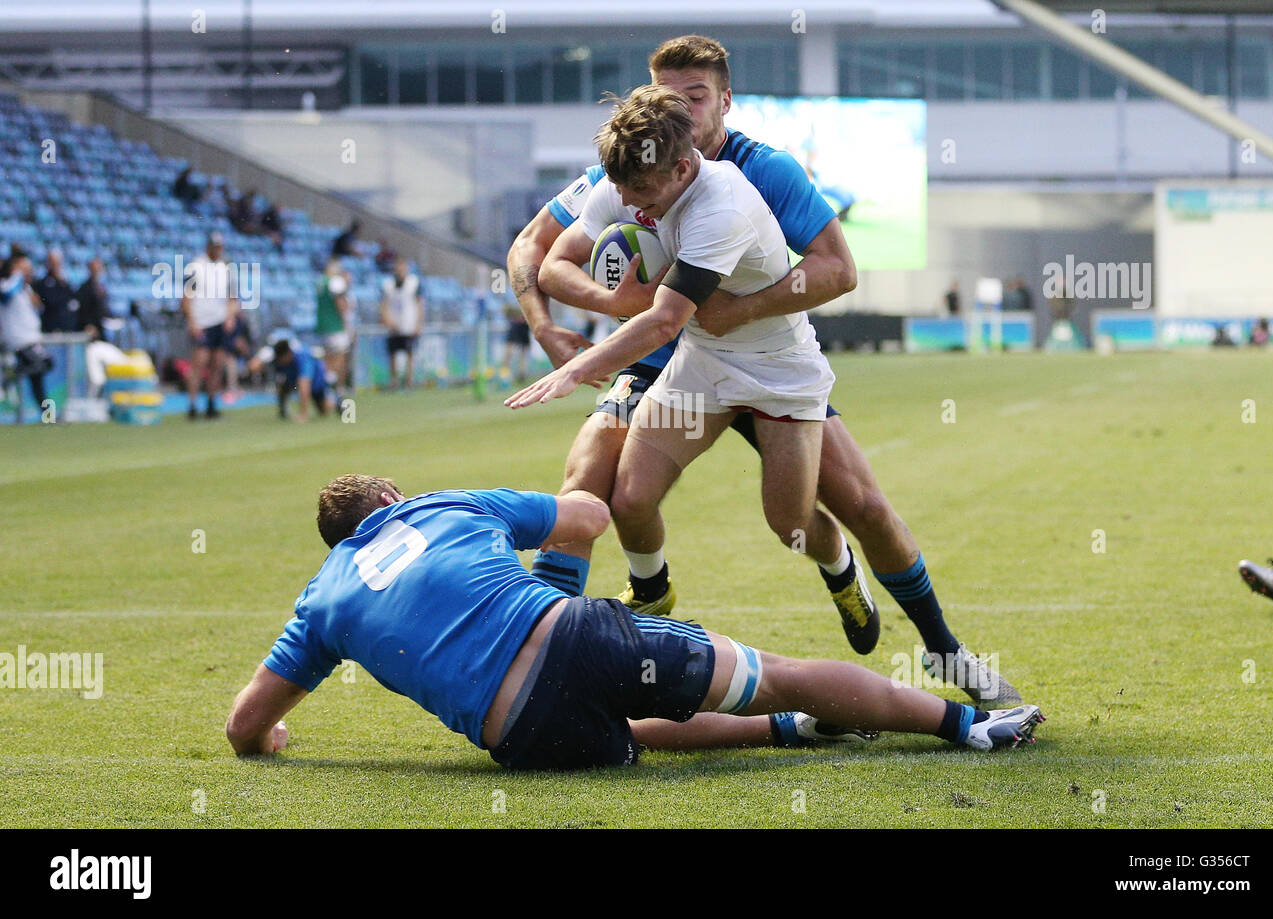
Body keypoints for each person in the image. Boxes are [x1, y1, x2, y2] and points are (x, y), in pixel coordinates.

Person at [505, 35, 1017, 705]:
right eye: (667, 96)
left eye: (695, 97)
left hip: (768, 360)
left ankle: (938, 646)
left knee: (834, 511)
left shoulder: (757, 175)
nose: (682, 109)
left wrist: (740, 309)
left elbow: (839, 269)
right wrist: (586, 309)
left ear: (724, 101)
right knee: (602, 480)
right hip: (679, 353)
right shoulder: (631, 165)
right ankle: (627, 615)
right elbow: (537, 252)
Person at [224, 475, 1045, 769]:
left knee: (627, 728)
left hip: (526, 739)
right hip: (576, 637)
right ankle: (968, 724)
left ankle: (791, 732)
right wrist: (553, 583)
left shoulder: (320, 599)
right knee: (777, 671)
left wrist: (270, 740)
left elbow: (243, 725)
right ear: (391, 501)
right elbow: (585, 514)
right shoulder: (444, 504)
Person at [511, 85, 871, 674]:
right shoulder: (629, 178)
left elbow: (664, 319)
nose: (632, 204)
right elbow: (553, 264)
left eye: (643, 194)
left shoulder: (720, 204)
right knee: (629, 498)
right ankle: (655, 595)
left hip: (775, 368)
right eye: (623, 190)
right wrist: (609, 298)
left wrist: (578, 366)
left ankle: (842, 573)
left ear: (683, 167)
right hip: (702, 362)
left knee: (790, 522)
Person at [181, 232, 240, 420]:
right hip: (202, 322)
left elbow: (233, 298)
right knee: (199, 365)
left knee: (216, 365)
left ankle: (211, 403)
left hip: (219, 322)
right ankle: (192, 405)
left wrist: (230, 317)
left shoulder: (227, 269)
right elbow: (186, 297)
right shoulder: (195, 267)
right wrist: (192, 321)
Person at [0, 247, 52, 421]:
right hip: (19, 339)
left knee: (38, 381)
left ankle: (49, 417)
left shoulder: (25, 289)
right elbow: (7, 293)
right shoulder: (8, 285)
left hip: (31, 338)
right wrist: (18, 274)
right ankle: (12, 374)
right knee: (46, 363)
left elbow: (39, 307)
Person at [249, 338, 337, 422]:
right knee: (283, 384)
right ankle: (282, 410)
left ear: (288, 354)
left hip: (316, 381)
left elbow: (304, 383)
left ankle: (337, 402)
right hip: (292, 379)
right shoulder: (274, 355)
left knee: (324, 410)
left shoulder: (303, 358)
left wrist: (303, 414)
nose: (280, 362)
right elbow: (252, 366)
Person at [76, 258, 128, 399]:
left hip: (103, 337)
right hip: (91, 340)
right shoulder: (85, 289)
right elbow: (82, 312)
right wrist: (88, 326)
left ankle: (105, 399)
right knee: (95, 376)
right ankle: (92, 401)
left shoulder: (101, 288)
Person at [379, 258, 423, 390]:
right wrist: (386, 319)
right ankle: (394, 381)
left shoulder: (413, 283)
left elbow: (420, 304)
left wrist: (418, 324)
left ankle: (409, 381)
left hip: (409, 324)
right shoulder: (388, 285)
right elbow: (383, 304)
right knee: (392, 354)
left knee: (409, 353)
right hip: (394, 325)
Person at [315, 258, 352, 392]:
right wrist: (345, 319)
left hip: (322, 325)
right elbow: (340, 304)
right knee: (339, 357)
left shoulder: (320, 283)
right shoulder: (335, 282)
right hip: (335, 326)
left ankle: (325, 387)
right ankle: (338, 387)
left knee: (327, 359)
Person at [35, 249, 77, 334]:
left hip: (66, 329)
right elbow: (50, 301)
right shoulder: (42, 284)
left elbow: (72, 301)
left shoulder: (65, 284)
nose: (55, 265)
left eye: (58, 262)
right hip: (50, 329)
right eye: (53, 262)